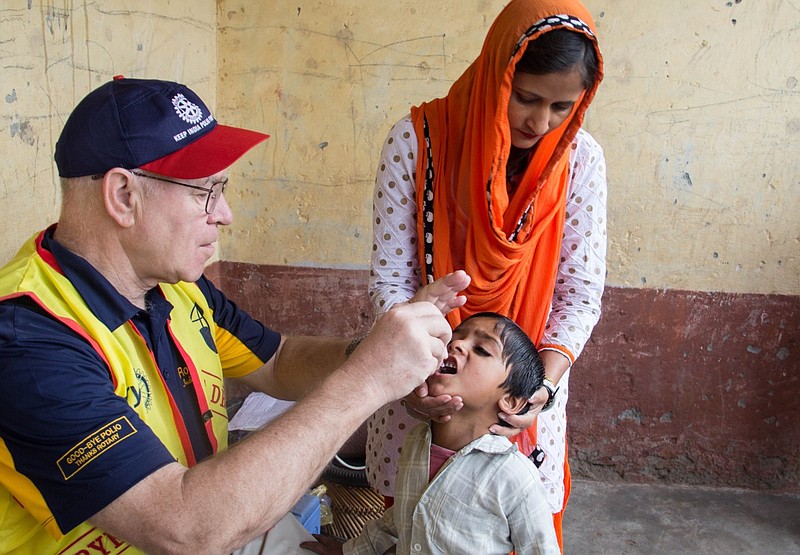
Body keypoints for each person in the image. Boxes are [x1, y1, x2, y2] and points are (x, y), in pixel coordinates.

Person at [0, 76, 467, 555]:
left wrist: (380, 348)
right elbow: (185, 530)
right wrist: (370, 379)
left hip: (220, 522)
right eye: (206, 191)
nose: (225, 214)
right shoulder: (27, 340)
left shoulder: (173, 286)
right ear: (123, 196)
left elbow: (280, 360)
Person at [366, 0, 606, 549]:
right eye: (525, 97)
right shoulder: (418, 142)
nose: (539, 122)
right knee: (406, 523)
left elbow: (579, 294)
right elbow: (390, 281)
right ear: (499, 71)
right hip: (419, 385)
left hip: (521, 406)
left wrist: (533, 389)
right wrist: (415, 378)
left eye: (561, 107)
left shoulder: (581, 163)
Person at [301, 312, 559, 555]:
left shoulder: (514, 477)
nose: (456, 344)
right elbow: (399, 519)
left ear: (511, 402)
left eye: (481, 349)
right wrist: (350, 551)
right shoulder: (415, 441)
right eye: (455, 336)